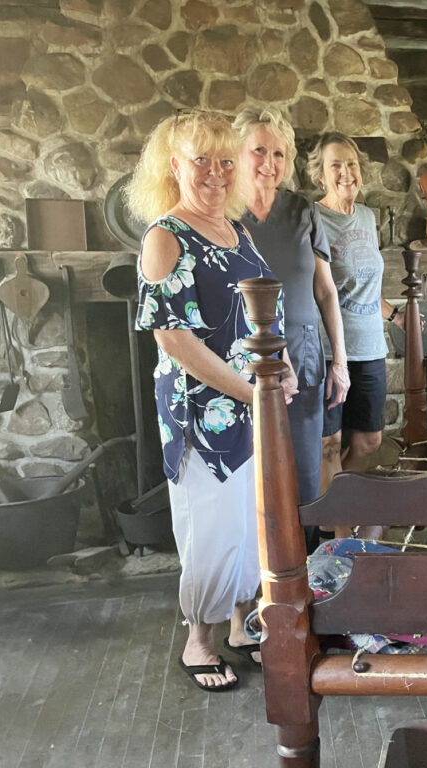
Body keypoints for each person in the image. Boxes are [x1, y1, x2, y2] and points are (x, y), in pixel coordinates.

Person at [128, 110, 298, 691]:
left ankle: (239, 626)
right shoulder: (164, 236)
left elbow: (258, 312)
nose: (216, 172)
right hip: (201, 411)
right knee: (209, 526)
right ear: (172, 165)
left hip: (253, 399)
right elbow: (174, 341)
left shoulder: (235, 229)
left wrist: (282, 367)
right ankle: (198, 640)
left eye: (226, 160)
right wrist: (252, 388)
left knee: (250, 524)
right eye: (201, 159)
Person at [233, 107, 350, 546]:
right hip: (244, 359)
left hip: (304, 353)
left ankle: (304, 577)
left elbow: (325, 292)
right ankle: (261, 576)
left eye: (279, 153)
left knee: (303, 474)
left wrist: (339, 360)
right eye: (258, 151)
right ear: (238, 154)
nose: (269, 163)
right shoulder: (224, 217)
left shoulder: (303, 211)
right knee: (254, 474)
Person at [307, 132, 399, 535]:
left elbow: (367, 286)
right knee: (329, 445)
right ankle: (342, 545)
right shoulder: (311, 218)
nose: (346, 173)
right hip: (329, 352)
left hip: (370, 347)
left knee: (369, 443)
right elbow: (319, 289)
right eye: (335, 165)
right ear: (321, 175)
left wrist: (396, 314)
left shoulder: (367, 217)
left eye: (351, 164)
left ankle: (333, 516)